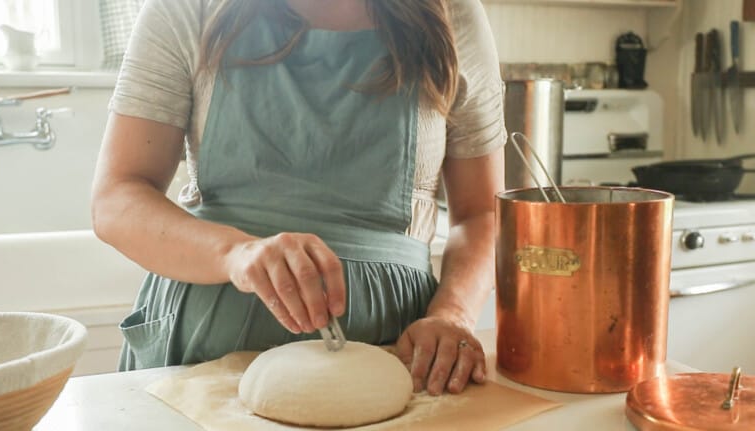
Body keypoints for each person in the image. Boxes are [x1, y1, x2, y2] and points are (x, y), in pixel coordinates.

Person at [91, 0, 506, 396]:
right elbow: (117, 197)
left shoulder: (452, 14)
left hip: (399, 359)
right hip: (198, 356)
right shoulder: (191, 8)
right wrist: (237, 254)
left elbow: (482, 213)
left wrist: (453, 313)